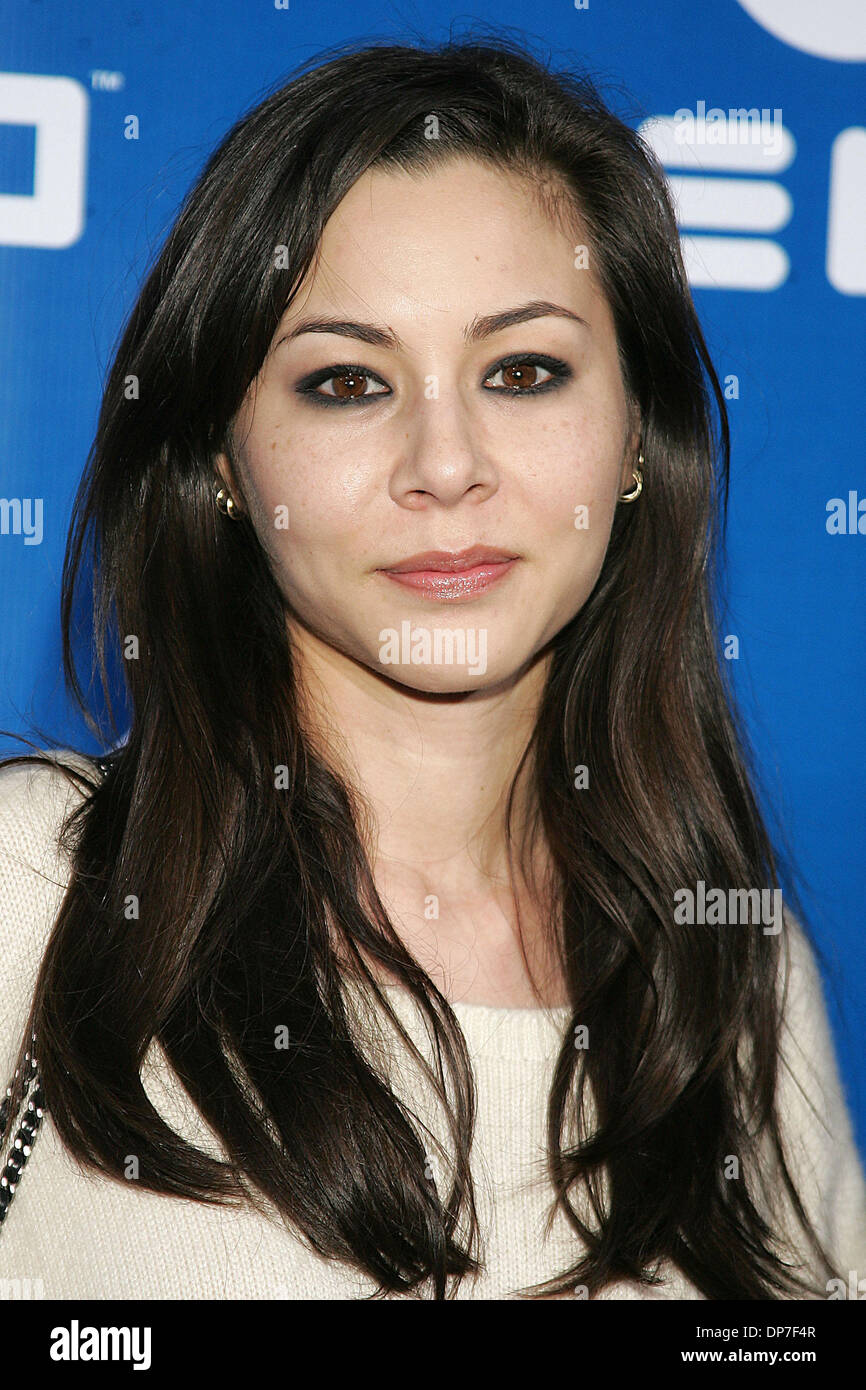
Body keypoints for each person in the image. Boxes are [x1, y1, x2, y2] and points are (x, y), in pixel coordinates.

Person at [0, 34, 864, 1301]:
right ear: (226, 466)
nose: (444, 463)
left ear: (636, 434)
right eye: (346, 381)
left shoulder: (729, 972)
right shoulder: (36, 887)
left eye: (522, 371)